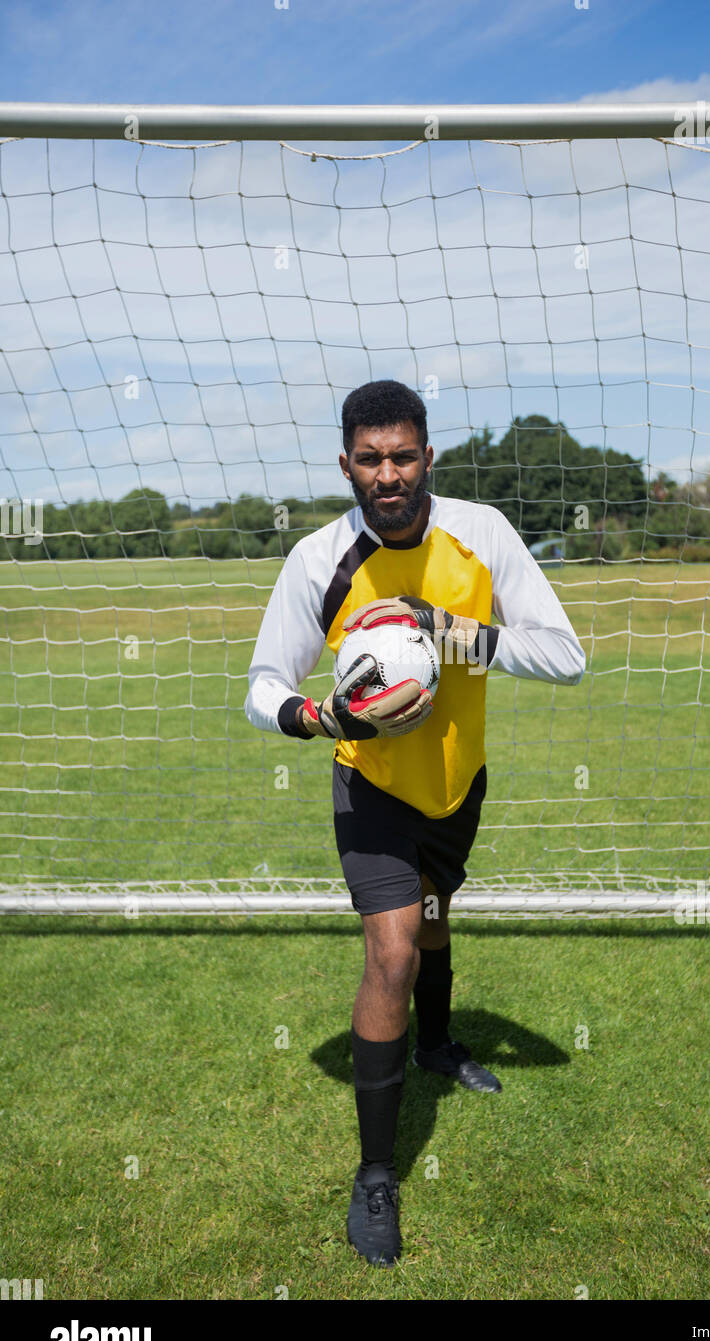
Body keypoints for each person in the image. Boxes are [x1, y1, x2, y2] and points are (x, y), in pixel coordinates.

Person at [244, 380, 585, 1266]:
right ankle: (375, 1177)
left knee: (433, 921)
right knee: (392, 950)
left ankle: (436, 1043)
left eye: (402, 455)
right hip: (370, 784)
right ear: (346, 464)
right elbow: (261, 688)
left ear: (427, 456)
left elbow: (565, 655)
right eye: (370, 458)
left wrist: (450, 632)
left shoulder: (484, 535)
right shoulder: (320, 559)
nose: (387, 474)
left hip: (455, 783)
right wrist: (319, 720)